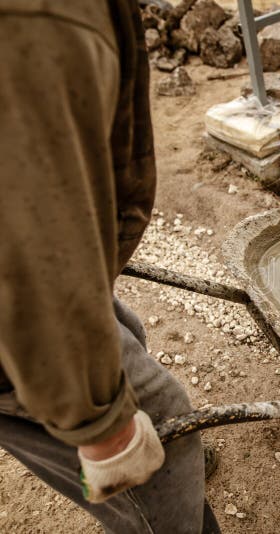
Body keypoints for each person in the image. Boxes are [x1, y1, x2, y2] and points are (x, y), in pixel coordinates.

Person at [0, 1, 219, 531]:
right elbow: (26, 258)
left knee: (125, 329)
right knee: (162, 427)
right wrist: (106, 434)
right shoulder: (31, 24)